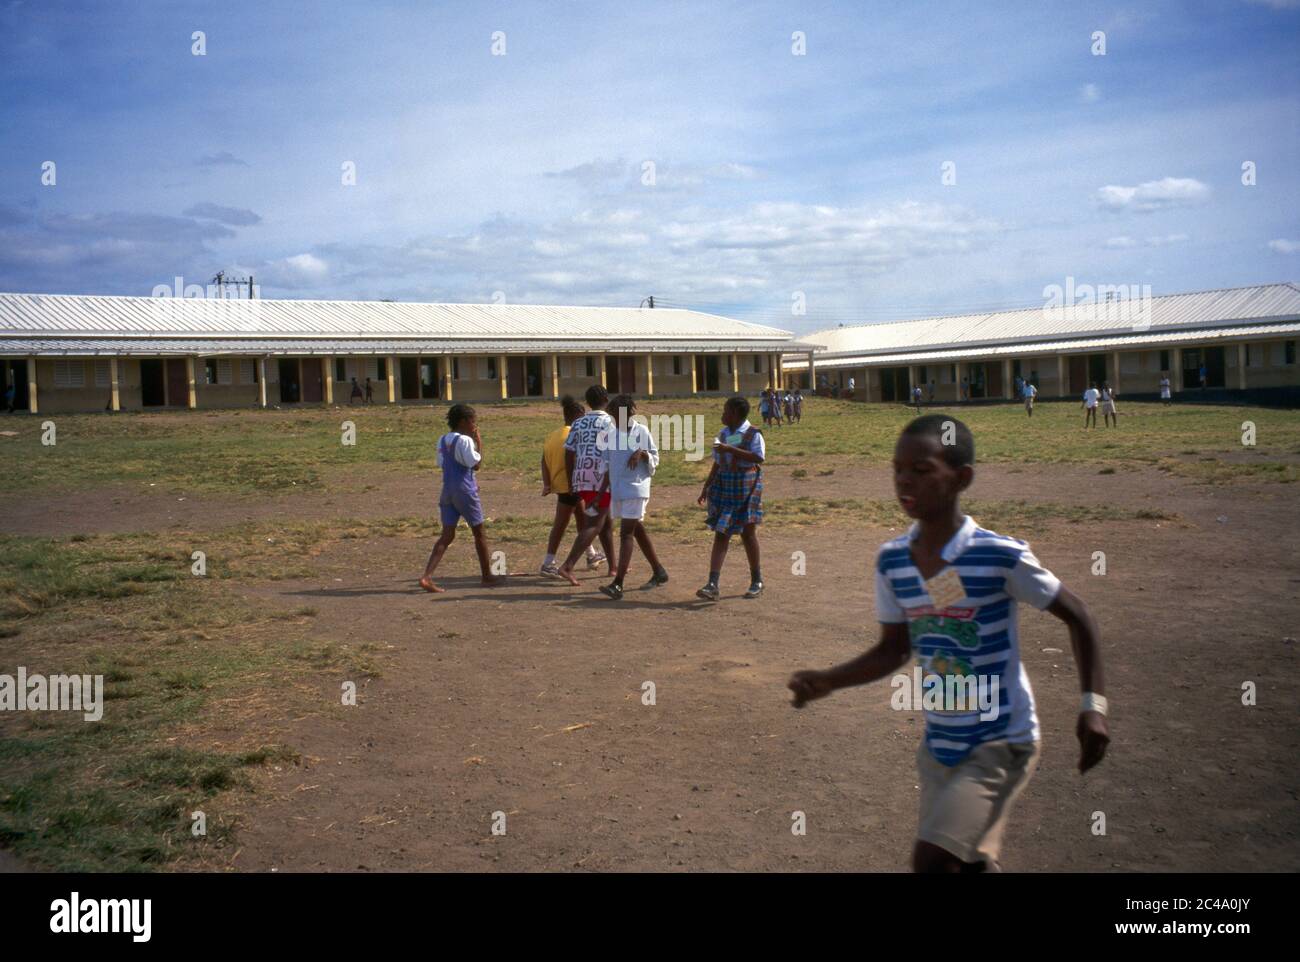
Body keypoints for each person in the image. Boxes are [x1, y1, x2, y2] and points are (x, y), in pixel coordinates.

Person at [787, 414, 1108, 872]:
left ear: (962, 479)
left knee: (932, 861)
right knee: (970, 864)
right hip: (941, 744)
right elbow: (894, 649)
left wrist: (1093, 706)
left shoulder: (1000, 556)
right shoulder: (893, 561)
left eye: (921, 470)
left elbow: (1080, 617)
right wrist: (829, 680)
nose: (903, 480)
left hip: (1001, 740)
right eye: (897, 469)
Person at [419, 404, 503, 592]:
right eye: (473, 421)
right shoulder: (465, 440)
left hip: (447, 490)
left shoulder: (442, 440)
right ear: (464, 421)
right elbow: (476, 464)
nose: (475, 425)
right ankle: (487, 576)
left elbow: (442, 463)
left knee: (447, 535)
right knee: (479, 532)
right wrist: (478, 441)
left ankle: (427, 576)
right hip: (465, 491)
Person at [597, 395, 668, 600]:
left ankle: (618, 584)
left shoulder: (641, 431)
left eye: (623, 414)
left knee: (626, 533)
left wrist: (642, 453)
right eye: (615, 415)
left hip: (637, 488)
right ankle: (659, 571)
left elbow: (655, 457)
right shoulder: (609, 434)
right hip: (618, 490)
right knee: (637, 530)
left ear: (631, 413)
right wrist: (600, 495)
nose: (618, 419)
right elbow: (607, 466)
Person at [697, 396, 765, 601]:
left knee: (748, 533)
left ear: (734, 413)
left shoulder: (753, 434)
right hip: (726, 484)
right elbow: (718, 462)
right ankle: (712, 584)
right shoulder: (724, 434)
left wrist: (730, 449)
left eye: (725, 410)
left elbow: (759, 457)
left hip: (746, 485)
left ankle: (757, 581)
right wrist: (706, 486)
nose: (722, 414)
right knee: (721, 532)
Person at [552, 385, 617, 585]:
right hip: (602, 479)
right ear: (606, 399)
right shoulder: (611, 422)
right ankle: (568, 566)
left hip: (582, 478)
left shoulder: (578, 423)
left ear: (587, 402)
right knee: (595, 524)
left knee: (605, 522)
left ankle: (613, 567)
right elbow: (616, 452)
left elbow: (569, 453)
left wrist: (572, 479)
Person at [540, 396, 602, 576]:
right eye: (582, 417)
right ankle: (548, 562)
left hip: (561, 484)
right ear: (577, 415)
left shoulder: (553, 435)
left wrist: (547, 483)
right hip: (573, 484)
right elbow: (573, 458)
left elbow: (543, 461)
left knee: (582, 519)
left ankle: (591, 555)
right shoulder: (575, 433)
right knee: (562, 523)